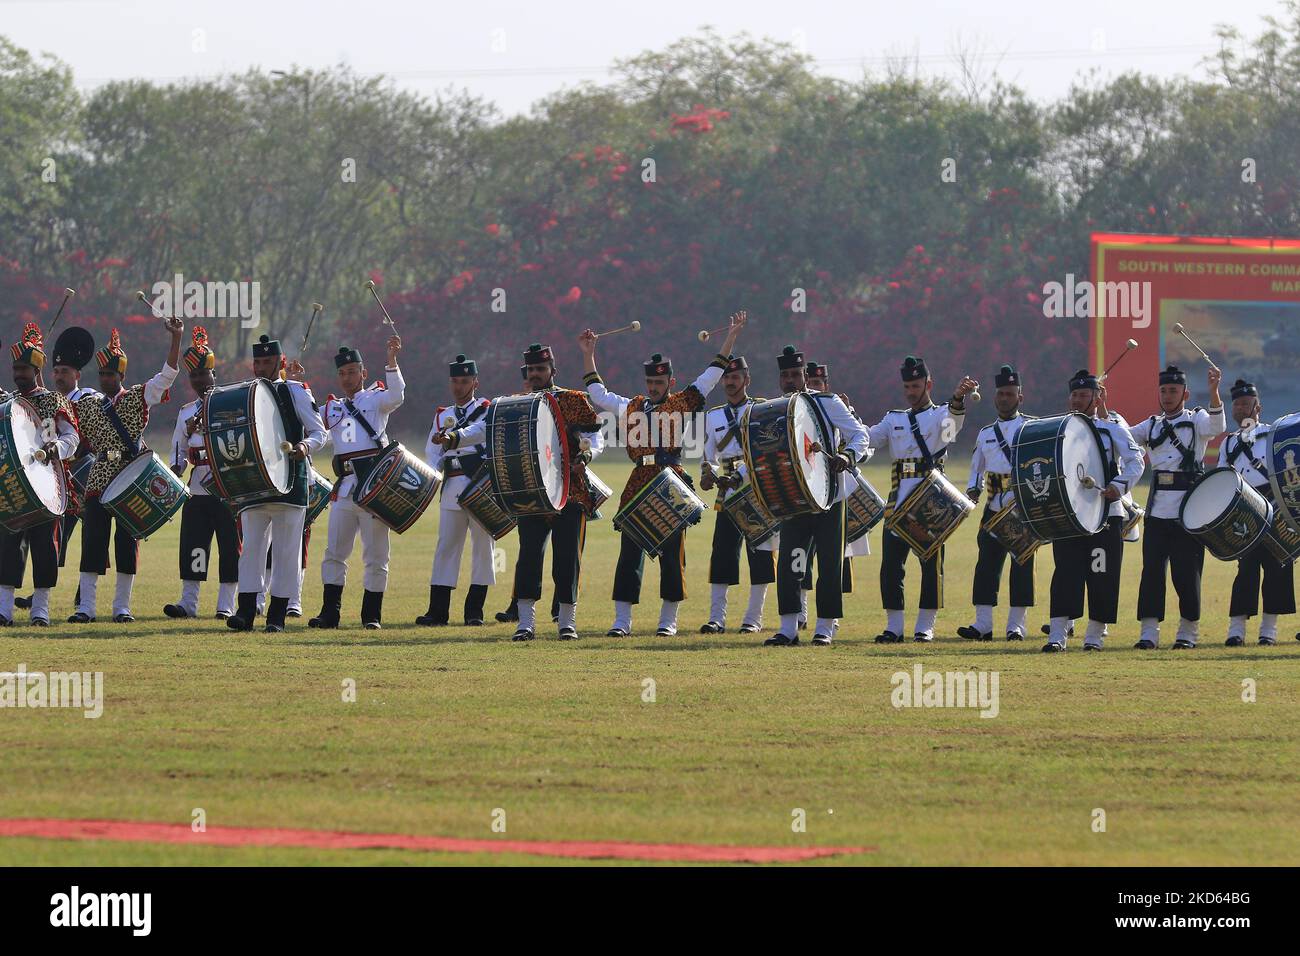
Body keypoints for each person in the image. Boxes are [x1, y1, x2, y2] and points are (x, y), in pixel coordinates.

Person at [579, 313, 745, 636]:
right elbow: (598, 395)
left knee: (672, 554)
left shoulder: (683, 402)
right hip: (638, 481)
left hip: (671, 481)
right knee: (629, 553)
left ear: (670, 381)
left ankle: (668, 622)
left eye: (659, 383)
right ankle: (621, 622)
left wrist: (732, 337)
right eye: (650, 383)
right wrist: (588, 353)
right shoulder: (632, 406)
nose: (653, 388)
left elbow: (711, 376)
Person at [437, 342, 605, 641]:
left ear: (553, 370)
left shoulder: (574, 399)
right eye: (531, 369)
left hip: (571, 491)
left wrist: (588, 455)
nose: (536, 373)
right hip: (528, 489)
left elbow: (595, 435)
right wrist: (454, 437)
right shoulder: (515, 403)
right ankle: (525, 622)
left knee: (567, 558)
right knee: (528, 556)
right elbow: (482, 429)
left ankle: (567, 623)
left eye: (541, 368)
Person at [69, 322, 182, 623]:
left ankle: (122, 606)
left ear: (121, 375)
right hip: (98, 477)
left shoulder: (136, 397)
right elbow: (75, 437)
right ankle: (86, 607)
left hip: (132, 477)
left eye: (111, 374)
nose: (105, 378)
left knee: (126, 543)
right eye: (102, 374)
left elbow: (167, 376)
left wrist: (176, 339)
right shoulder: (88, 405)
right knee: (93, 541)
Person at [762, 346, 869, 646]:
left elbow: (861, 434)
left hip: (830, 497)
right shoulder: (774, 409)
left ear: (805, 376)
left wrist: (848, 456)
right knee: (790, 563)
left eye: (795, 374)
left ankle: (825, 627)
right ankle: (788, 629)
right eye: (785, 375)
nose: (790, 380)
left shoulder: (827, 402)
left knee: (830, 564)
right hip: (794, 500)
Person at [867, 356, 979, 642]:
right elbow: (870, 439)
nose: (911, 391)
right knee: (891, 566)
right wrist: (845, 419)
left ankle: (924, 627)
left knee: (931, 566)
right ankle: (894, 627)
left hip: (931, 501)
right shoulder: (894, 418)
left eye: (916, 385)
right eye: (907, 386)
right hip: (898, 502)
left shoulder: (942, 414)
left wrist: (957, 398)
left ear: (928, 384)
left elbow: (952, 431)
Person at [226, 335, 327, 633]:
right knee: (251, 550)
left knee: (285, 552)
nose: (259, 368)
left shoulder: (296, 391)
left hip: (291, 483)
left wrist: (304, 448)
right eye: (257, 362)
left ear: (281, 363)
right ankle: (245, 612)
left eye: (267, 362)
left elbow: (319, 432)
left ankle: (277, 616)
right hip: (254, 483)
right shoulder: (245, 394)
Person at [1042, 371, 1145, 651]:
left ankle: (1094, 636)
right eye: (1074, 395)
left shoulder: (1113, 429)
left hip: (1106, 513)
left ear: (1097, 398)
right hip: (1070, 513)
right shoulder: (1060, 429)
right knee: (1065, 572)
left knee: (1102, 574)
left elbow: (1137, 461)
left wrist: (1118, 486)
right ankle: (1057, 637)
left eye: (1084, 395)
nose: (1077, 401)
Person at [309, 337, 404, 629]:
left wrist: (391, 360)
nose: (347, 377)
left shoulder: (376, 399)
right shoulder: (332, 408)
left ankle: (371, 615)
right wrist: (295, 384)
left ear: (363, 373)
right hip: (346, 487)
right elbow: (309, 421)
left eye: (352, 371)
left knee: (376, 555)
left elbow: (398, 395)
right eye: (342, 373)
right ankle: (330, 613)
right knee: (335, 552)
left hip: (374, 487)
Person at [1128, 364, 1224, 649]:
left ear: (1185, 393)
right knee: (1152, 574)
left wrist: (1215, 392)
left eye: (1173, 390)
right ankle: (1148, 634)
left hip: (1188, 512)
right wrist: (1103, 409)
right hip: (1157, 511)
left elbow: (1218, 427)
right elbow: (1124, 438)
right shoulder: (1151, 425)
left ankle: (1187, 634)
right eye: (1164, 390)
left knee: (1187, 573)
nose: (1168, 395)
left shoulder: (1198, 419)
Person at [0, 324, 81, 626]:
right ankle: (4, 610)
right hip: (12, 486)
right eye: (15, 368)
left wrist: (53, 448)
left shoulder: (52, 401)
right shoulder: (6, 403)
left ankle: (40, 610)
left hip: (47, 484)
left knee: (45, 548)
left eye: (24, 368)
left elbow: (71, 439)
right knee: (8, 546)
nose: (18, 373)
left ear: (36, 370)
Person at [164, 326, 239, 619]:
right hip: (197, 488)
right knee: (194, 546)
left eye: (203, 374)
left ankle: (226, 605)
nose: (199, 380)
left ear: (213, 374)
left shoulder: (230, 405)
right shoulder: (185, 412)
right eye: (193, 375)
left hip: (227, 486)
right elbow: (178, 450)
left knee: (230, 548)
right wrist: (176, 469)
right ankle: (188, 602)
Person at [958, 364, 1036, 641]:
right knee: (986, 566)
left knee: (1022, 566)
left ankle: (1016, 626)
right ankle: (983, 624)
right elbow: (976, 467)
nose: (1005, 398)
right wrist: (972, 490)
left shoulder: (1031, 428)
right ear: (995, 397)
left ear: (1020, 397)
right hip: (992, 507)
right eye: (1001, 394)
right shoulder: (986, 433)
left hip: (1022, 509)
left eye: (1010, 393)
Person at [697, 354, 774, 634]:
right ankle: (717, 618)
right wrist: (707, 473)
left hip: (758, 488)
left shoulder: (762, 409)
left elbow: (767, 448)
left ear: (746, 380)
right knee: (723, 554)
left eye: (735, 377)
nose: (730, 382)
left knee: (761, 555)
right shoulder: (713, 415)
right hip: (727, 492)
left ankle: (753, 618)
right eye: (726, 378)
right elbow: (709, 455)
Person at [420, 353, 495, 626]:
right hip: (452, 485)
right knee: (446, 548)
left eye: (464, 381)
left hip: (480, 486)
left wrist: (453, 438)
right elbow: (431, 452)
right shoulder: (443, 415)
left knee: (483, 549)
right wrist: (431, 475)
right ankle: (437, 610)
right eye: (454, 381)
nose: (458, 387)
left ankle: (475, 611)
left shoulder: (488, 409)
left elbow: (480, 431)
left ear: (475, 382)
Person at [1218, 379, 1293, 646]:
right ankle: (1236, 631)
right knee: (1245, 572)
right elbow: (1221, 478)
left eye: (1245, 404)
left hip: (1274, 510)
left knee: (1276, 570)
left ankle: (1268, 632)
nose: (1240, 409)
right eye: (1236, 404)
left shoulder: (1274, 435)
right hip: (1244, 513)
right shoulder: (1228, 444)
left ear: (1257, 407)